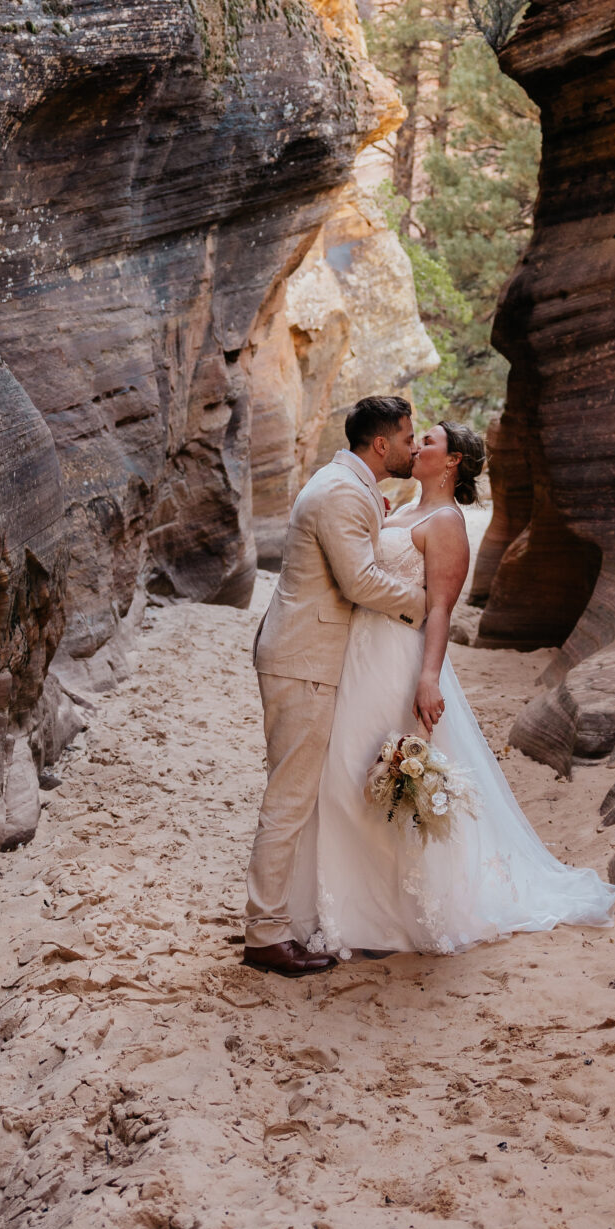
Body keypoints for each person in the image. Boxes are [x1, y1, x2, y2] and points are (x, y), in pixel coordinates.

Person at [290, 421, 615, 957]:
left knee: (381, 776)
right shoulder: (397, 509)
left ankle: (389, 913)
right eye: (415, 438)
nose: (416, 445)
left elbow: (440, 608)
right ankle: (349, 903)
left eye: (429, 442)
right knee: (346, 776)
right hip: (359, 657)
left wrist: (427, 677)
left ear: (452, 463)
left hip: (399, 661)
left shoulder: (447, 522)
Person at [243, 396, 426, 977]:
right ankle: (266, 937)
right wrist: (428, 604)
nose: (412, 447)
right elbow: (362, 581)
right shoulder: (342, 492)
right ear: (380, 445)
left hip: (304, 653)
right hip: (303, 659)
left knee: (295, 794)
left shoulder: (348, 484)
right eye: (406, 438)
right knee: (289, 797)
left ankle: (277, 920)